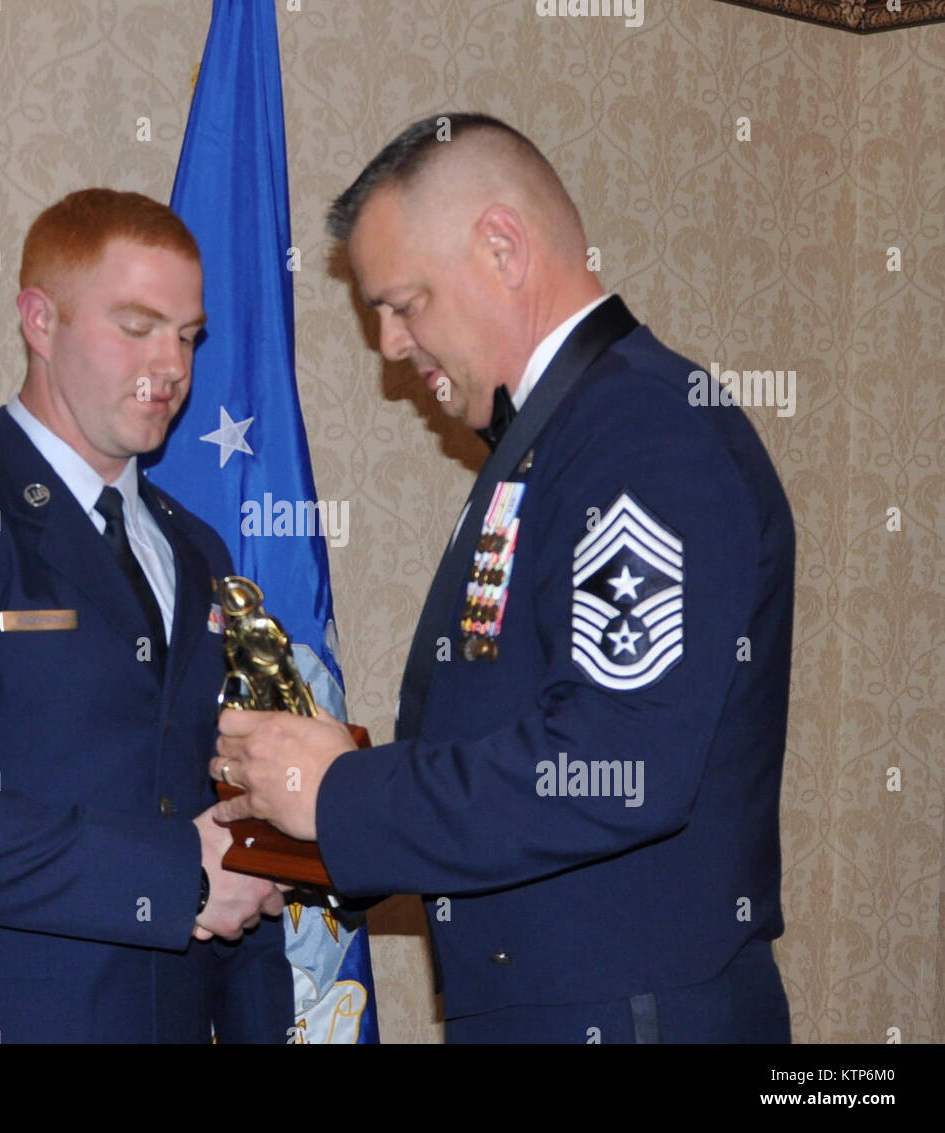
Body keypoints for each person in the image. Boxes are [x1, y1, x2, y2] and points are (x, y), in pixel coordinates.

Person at [213, 114, 794, 1043]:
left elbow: (623, 764)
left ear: (502, 248)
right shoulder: (560, 439)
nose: (393, 345)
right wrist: (316, 809)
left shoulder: (644, 436)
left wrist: (345, 794)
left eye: (405, 304)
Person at [0, 188, 291, 1043]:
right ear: (41, 321)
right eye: (137, 326)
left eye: (187, 335)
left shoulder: (199, 551)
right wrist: (178, 874)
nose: (173, 367)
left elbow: (229, 820)